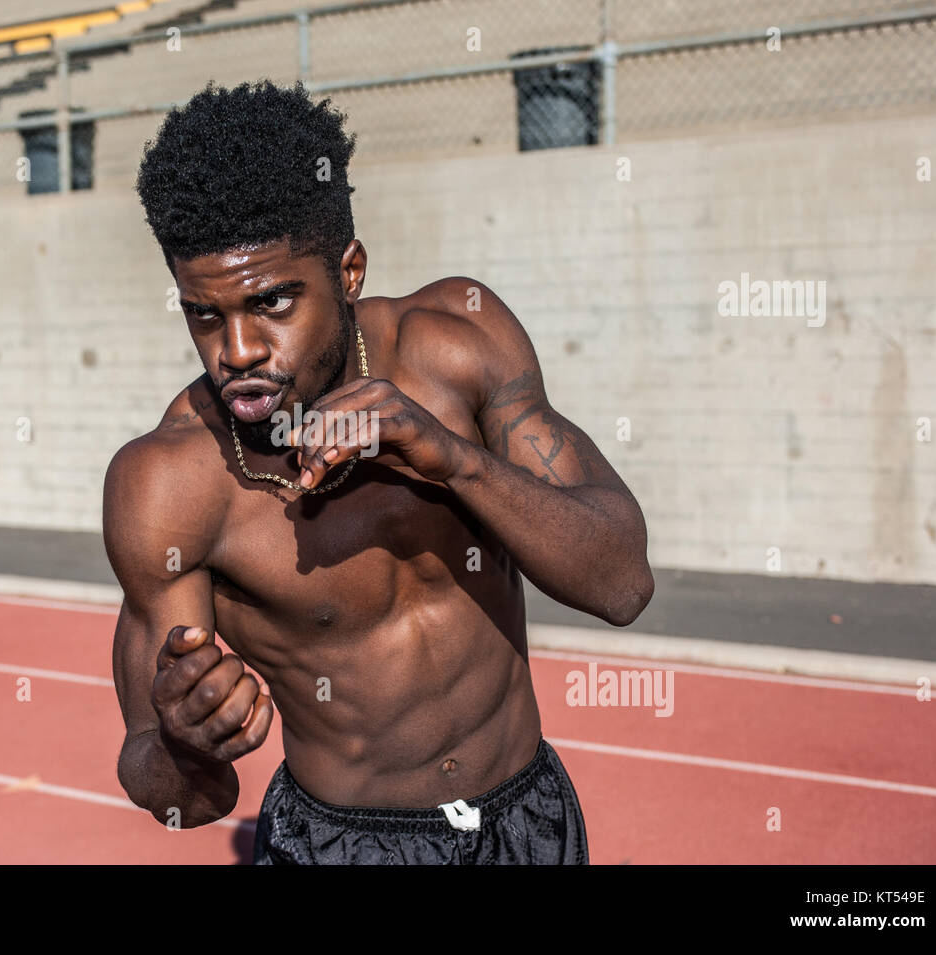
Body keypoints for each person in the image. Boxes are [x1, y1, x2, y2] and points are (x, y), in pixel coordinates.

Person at [103, 79, 653, 864]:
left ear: (349, 271)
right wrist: (184, 742)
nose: (239, 351)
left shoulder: (455, 343)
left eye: (273, 302)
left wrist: (455, 461)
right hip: (342, 844)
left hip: (525, 821)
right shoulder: (169, 483)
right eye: (205, 314)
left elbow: (623, 584)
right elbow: (179, 797)